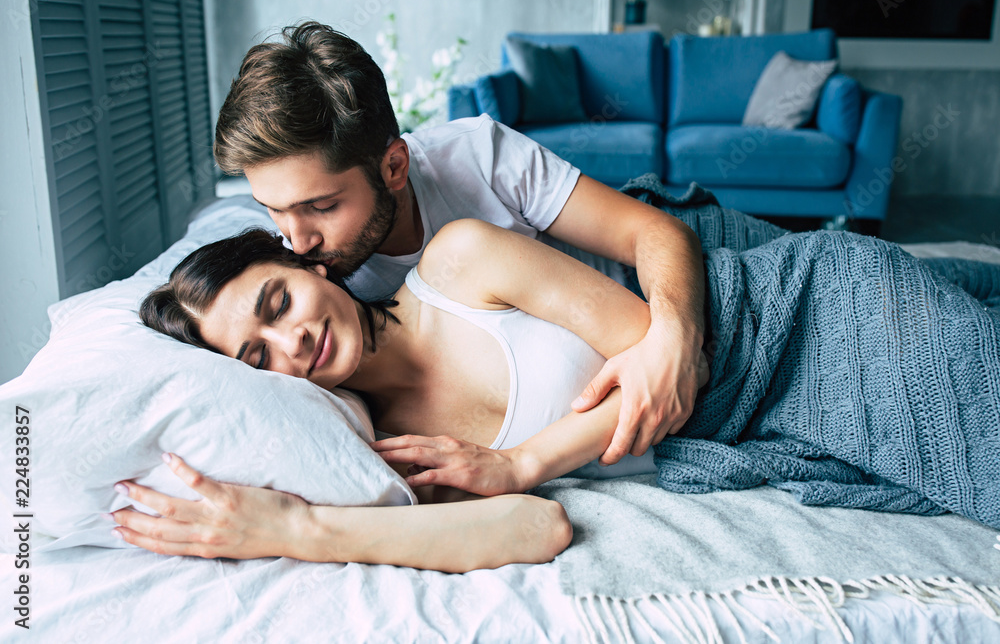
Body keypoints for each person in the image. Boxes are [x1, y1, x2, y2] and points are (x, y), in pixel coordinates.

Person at [116, 217, 1000, 569]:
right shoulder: (369, 445)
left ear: (305, 259)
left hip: (795, 314)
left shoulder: (457, 263)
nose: (292, 342)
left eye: (278, 301)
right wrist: (290, 528)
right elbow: (534, 526)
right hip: (757, 430)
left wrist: (519, 460)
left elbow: (662, 362)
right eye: (257, 356)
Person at [211, 20, 709, 468]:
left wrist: (675, 338)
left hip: (673, 272)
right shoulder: (312, 293)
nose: (297, 241)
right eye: (274, 210)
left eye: (320, 206)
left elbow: (653, 232)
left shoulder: (477, 155)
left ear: (394, 167)